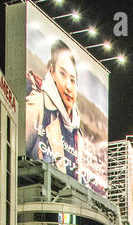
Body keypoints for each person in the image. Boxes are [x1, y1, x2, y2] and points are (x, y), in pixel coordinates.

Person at [26, 41, 81, 179]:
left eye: (73, 80)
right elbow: (14, 152)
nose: (69, 86)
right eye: (62, 74)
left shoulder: (77, 131)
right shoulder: (38, 105)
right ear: (52, 71)